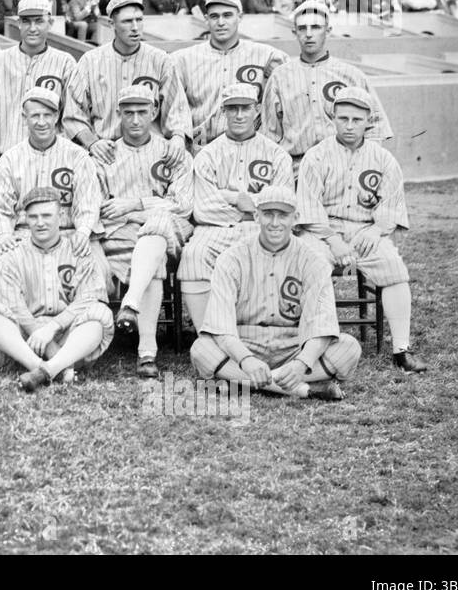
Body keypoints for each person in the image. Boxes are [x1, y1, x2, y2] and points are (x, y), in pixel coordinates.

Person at [295, 87, 428, 373]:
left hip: (365, 230)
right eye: (343, 118)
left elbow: (390, 206)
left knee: (393, 266)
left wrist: (377, 229)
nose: (350, 125)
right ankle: (314, 344)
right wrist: (333, 240)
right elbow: (308, 207)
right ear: (333, 118)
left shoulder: (382, 159)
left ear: (369, 120)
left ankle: (401, 350)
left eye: (357, 119)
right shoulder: (316, 156)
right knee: (312, 265)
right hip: (321, 230)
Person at [189, 184, 360, 401]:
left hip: (293, 346)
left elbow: (322, 324)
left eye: (283, 215)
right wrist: (246, 359)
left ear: (295, 218)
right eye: (268, 214)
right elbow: (220, 325)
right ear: (256, 216)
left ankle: (247, 384)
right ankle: (304, 390)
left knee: (348, 348)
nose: (275, 222)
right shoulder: (231, 258)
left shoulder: (313, 260)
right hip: (245, 342)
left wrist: (302, 363)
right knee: (201, 349)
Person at [0, 187, 114, 393]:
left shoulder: (79, 251)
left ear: (61, 216)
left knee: (100, 313)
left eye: (47, 215)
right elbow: (14, 306)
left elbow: (87, 298)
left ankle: (46, 370)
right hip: (25, 340)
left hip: (68, 338)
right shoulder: (11, 255)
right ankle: (48, 367)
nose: (40, 222)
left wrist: (52, 328)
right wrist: (40, 335)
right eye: (33, 217)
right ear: (26, 219)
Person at [96, 85, 194, 378]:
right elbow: (101, 207)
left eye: (142, 112)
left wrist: (135, 206)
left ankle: (130, 303)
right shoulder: (106, 154)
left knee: (157, 230)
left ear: (154, 113)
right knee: (153, 254)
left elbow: (183, 205)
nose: (136, 120)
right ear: (119, 115)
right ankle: (147, 352)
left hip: (172, 230)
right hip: (123, 236)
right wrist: (138, 213)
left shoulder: (172, 152)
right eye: (129, 113)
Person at [179, 83, 293, 332]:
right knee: (193, 255)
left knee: (273, 252)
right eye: (233, 109)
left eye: (245, 108)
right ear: (223, 112)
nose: (239, 115)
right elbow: (202, 209)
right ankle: (207, 334)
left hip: (262, 227)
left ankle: (256, 329)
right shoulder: (208, 154)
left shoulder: (276, 155)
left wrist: (235, 199)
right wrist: (244, 202)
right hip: (215, 228)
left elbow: (282, 205)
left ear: (257, 111)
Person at [0, 86, 101, 295]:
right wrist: (3, 234)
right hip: (23, 233)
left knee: (99, 271)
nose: (42, 122)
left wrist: (83, 231)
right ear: (24, 117)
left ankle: (85, 321)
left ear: (56, 116)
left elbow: (88, 202)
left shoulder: (77, 156)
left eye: (47, 115)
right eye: (35, 115)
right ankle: (8, 322)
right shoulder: (10, 158)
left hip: (68, 232)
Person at [262, 0, 393, 174]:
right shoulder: (279, 76)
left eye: (316, 27)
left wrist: (365, 165)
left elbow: (375, 127)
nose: (308, 34)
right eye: (302, 28)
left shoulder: (351, 74)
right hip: (296, 170)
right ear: (295, 32)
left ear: (328, 30)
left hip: (346, 167)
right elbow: (270, 136)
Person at [64, 0, 193, 157]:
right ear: (111, 24)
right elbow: (73, 113)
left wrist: (178, 137)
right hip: (105, 153)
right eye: (127, 21)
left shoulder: (160, 59)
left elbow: (177, 107)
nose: (135, 27)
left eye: (139, 20)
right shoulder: (90, 61)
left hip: (151, 154)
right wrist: (93, 143)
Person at [172, 0, 286, 152]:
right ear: (206, 20)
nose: (220, 22)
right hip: (200, 148)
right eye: (214, 16)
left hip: (249, 148)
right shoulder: (183, 59)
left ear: (240, 17)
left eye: (227, 15)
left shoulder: (267, 55)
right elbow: (174, 110)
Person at [0, 0, 77, 156]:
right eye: (26, 21)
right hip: (6, 156)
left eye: (39, 21)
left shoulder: (65, 62)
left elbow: (70, 117)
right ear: (19, 23)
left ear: (50, 23)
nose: (32, 28)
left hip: (51, 157)